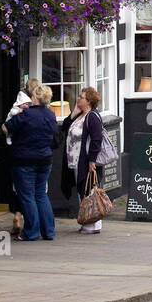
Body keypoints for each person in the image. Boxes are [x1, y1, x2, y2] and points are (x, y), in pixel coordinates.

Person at [2, 84, 58, 241]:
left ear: (34, 98)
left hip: (24, 160)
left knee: (27, 196)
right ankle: (48, 232)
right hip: (45, 159)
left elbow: (6, 128)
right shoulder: (50, 115)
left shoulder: (26, 114)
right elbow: (54, 135)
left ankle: (31, 233)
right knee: (41, 194)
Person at [61, 87, 106, 231]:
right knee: (82, 190)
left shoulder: (92, 116)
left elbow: (96, 139)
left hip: (86, 161)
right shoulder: (80, 115)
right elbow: (65, 128)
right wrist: (74, 112)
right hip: (75, 161)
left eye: (81, 97)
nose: (78, 99)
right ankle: (88, 222)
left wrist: (92, 160)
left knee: (89, 190)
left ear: (88, 102)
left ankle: (92, 224)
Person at [6, 77, 40, 236]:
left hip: (17, 151)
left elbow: (7, 127)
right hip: (34, 154)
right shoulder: (32, 110)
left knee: (20, 189)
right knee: (33, 193)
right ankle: (32, 227)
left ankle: (18, 216)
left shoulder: (18, 106)